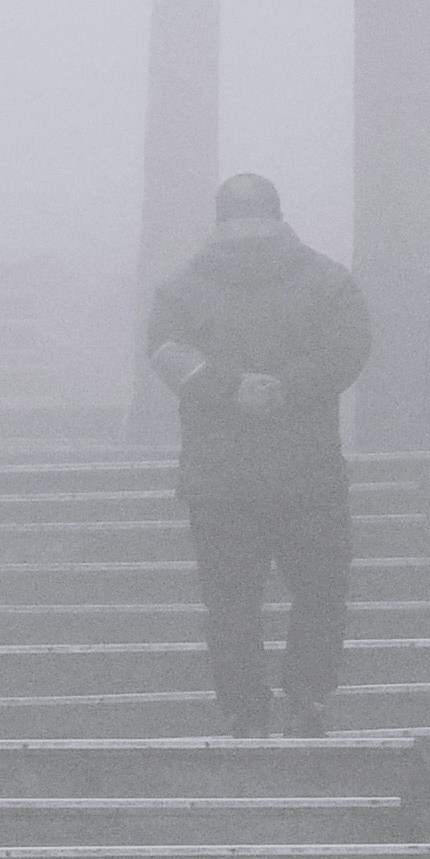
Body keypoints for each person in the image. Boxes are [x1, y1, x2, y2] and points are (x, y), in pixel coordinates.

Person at [146, 169, 374, 734]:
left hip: (219, 475)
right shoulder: (328, 281)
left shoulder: (181, 288)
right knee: (320, 591)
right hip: (308, 470)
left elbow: (166, 352)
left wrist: (230, 387)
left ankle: (245, 707)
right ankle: (307, 698)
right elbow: (349, 349)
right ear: (280, 214)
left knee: (231, 602)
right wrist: (289, 387)